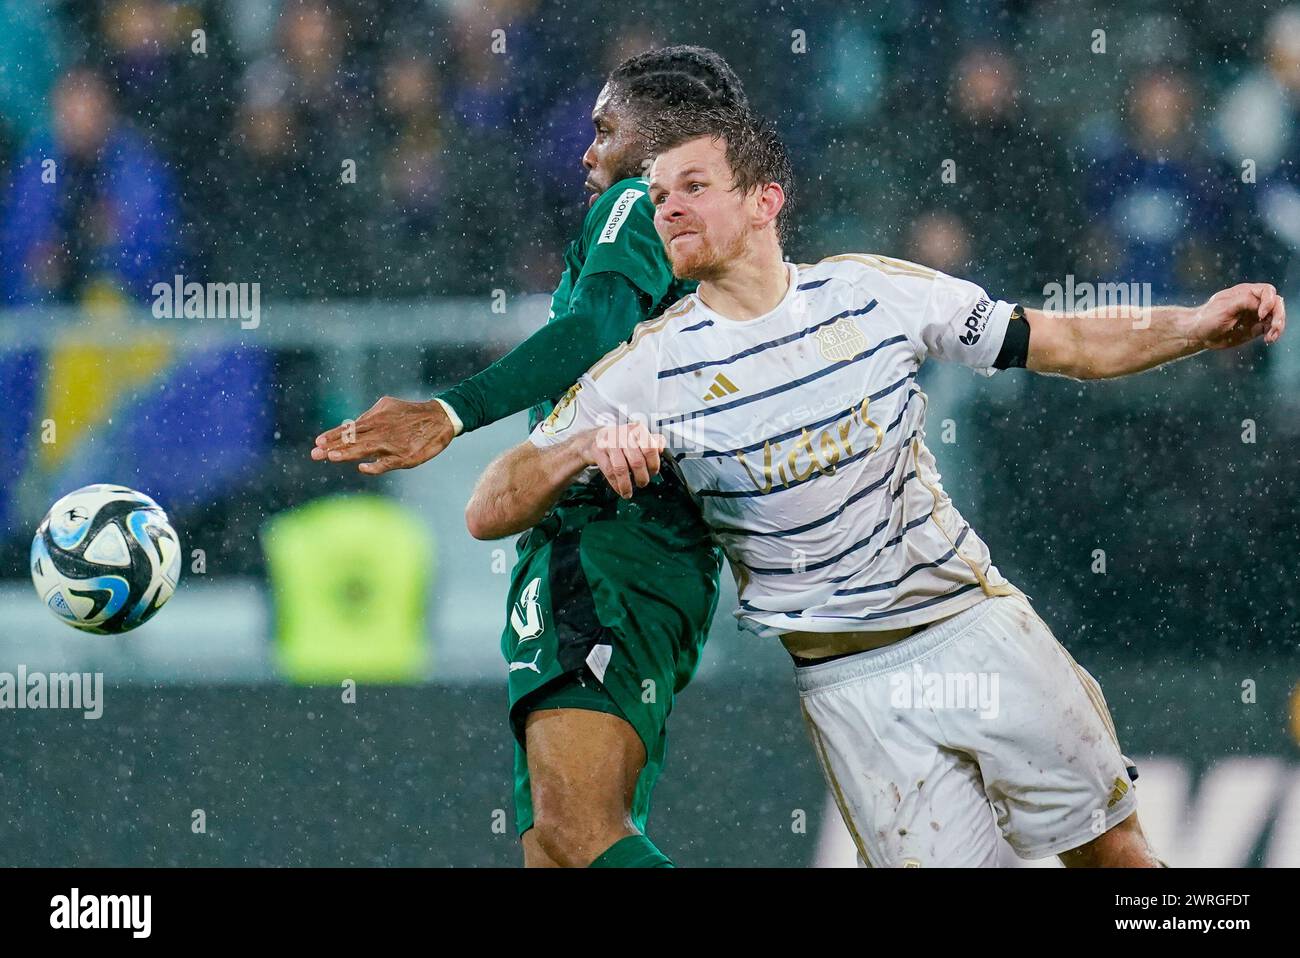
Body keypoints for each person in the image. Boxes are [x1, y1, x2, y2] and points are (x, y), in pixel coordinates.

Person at [464, 104, 1286, 866]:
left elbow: (1063, 340)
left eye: (694, 186)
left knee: (1117, 861)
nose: (666, 207)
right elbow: (487, 505)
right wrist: (583, 449)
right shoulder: (648, 367)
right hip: (849, 683)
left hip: (975, 627)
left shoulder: (870, 292)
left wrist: (1194, 325)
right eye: (657, 194)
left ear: (764, 201)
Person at [312, 46, 749, 868]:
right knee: (556, 852)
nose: (588, 152)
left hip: (607, 540)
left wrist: (451, 409)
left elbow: (593, 327)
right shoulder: (711, 240)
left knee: (575, 831)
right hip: (643, 552)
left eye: (604, 128)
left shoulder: (634, 198)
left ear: (659, 146)